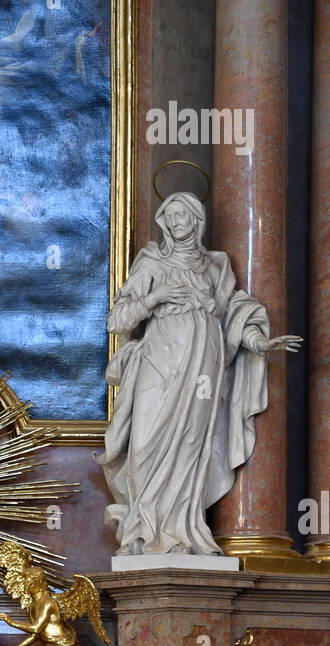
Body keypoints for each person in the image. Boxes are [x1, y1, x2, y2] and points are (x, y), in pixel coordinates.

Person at [98, 191, 301, 556]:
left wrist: (256, 342)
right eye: (170, 217)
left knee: (191, 445)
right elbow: (118, 320)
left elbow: (234, 313)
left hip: (202, 367)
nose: (177, 223)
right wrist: (155, 298)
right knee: (144, 444)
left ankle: (183, 531)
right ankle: (143, 532)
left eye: (184, 216)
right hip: (158, 366)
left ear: (197, 221)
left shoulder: (215, 267)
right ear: (164, 222)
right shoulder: (151, 264)